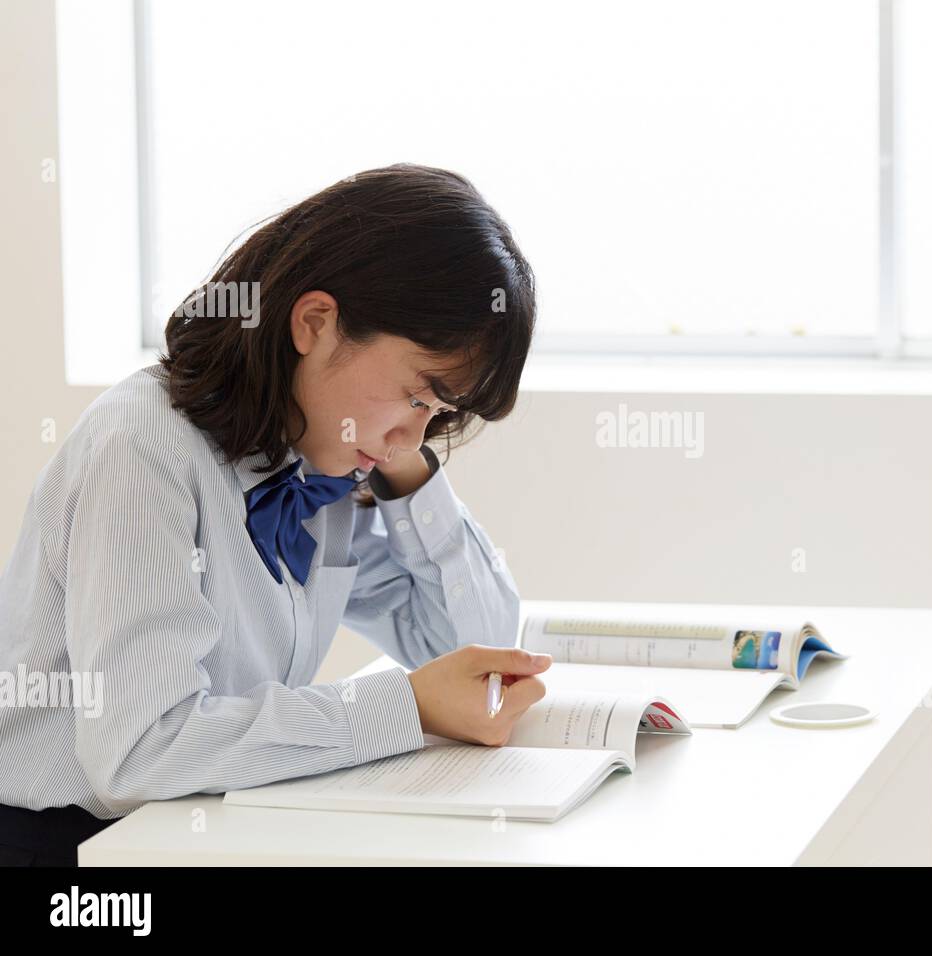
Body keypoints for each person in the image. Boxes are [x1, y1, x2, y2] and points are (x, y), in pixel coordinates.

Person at [0, 164, 551, 866]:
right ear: (316, 323)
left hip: (203, 828)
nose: (418, 432)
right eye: (418, 393)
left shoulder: (319, 452)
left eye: (443, 413)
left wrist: (401, 463)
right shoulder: (140, 448)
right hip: (71, 849)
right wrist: (403, 707)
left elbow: (475, 647)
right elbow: (141, 751)